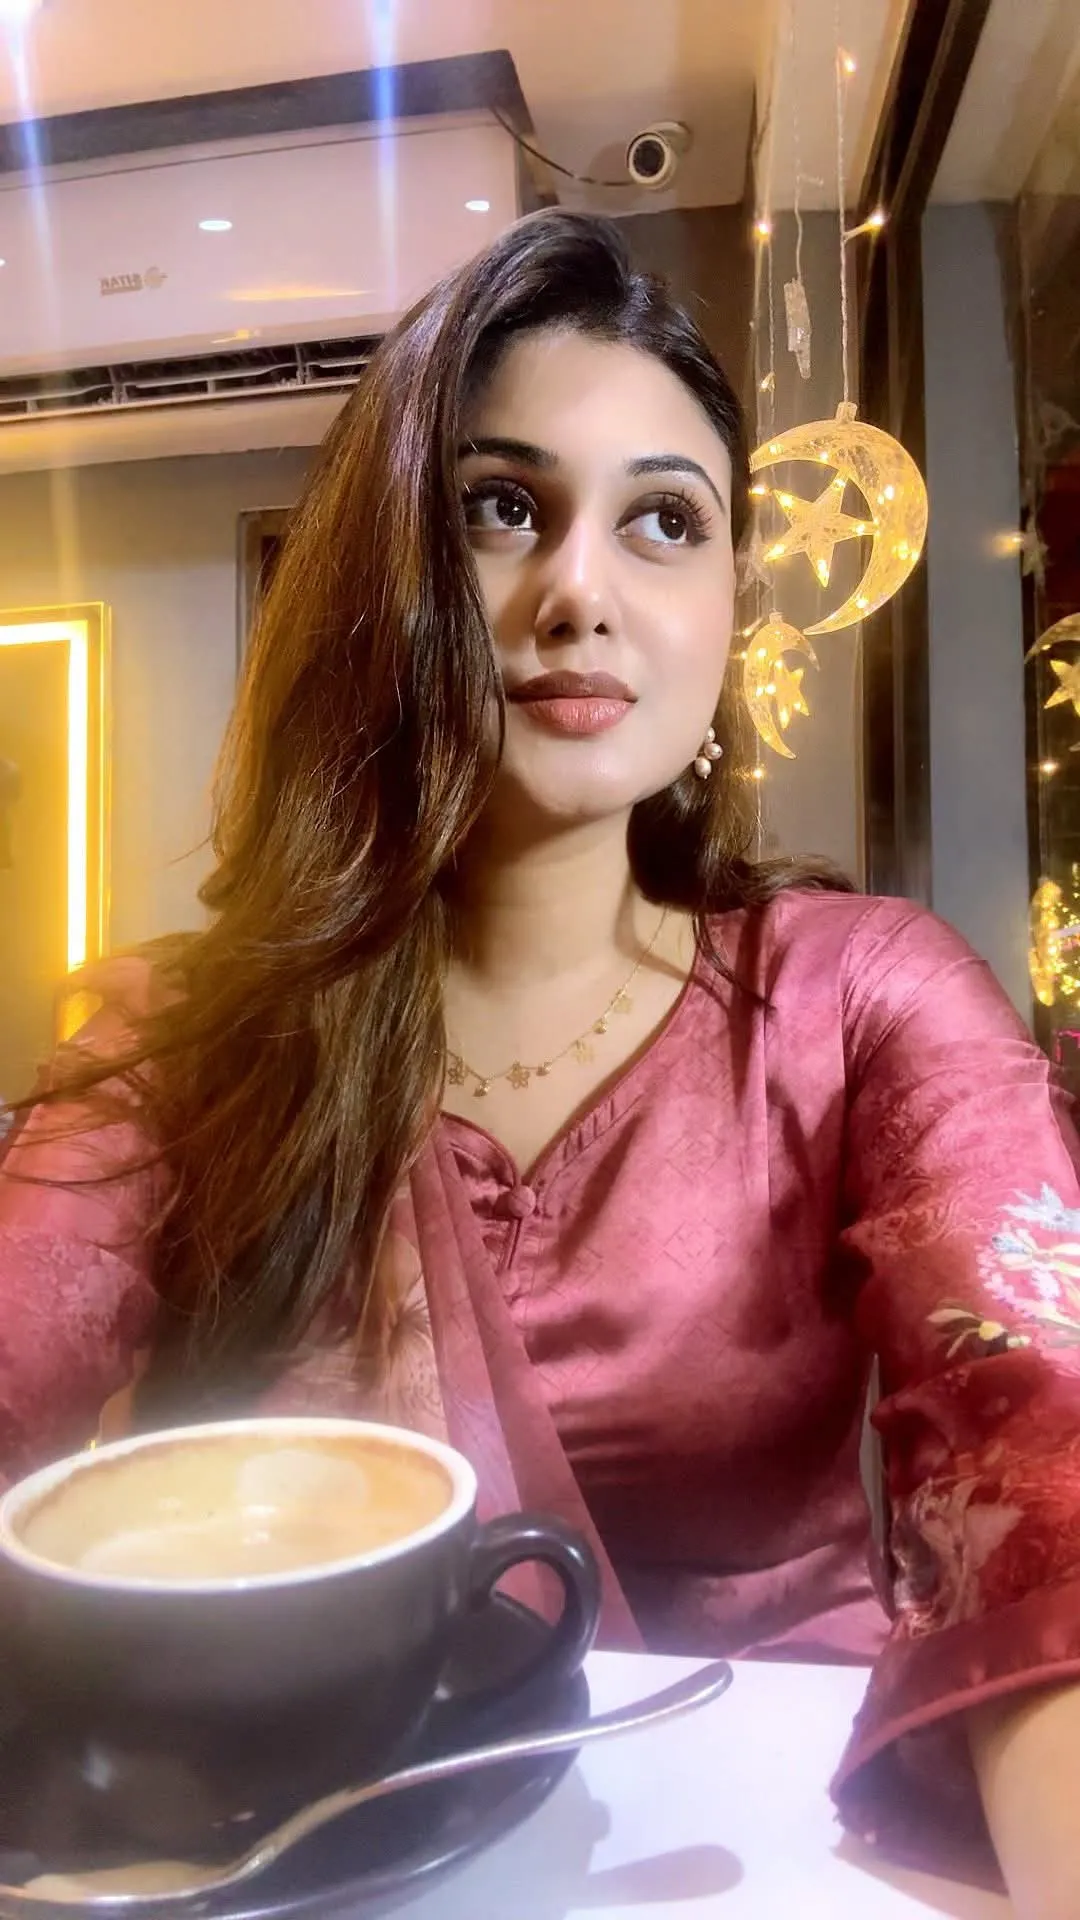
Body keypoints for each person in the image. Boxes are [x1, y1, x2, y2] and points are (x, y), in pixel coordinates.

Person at [2, 209, 1080, 1914]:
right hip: (300, 1863)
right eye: (502, 509)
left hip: (762, 1860)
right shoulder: (177, 1042)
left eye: (666, 520)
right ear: (386, 584)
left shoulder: (858, 1001)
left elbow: (1046, 1465)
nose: (580, 591)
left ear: (728, 609)